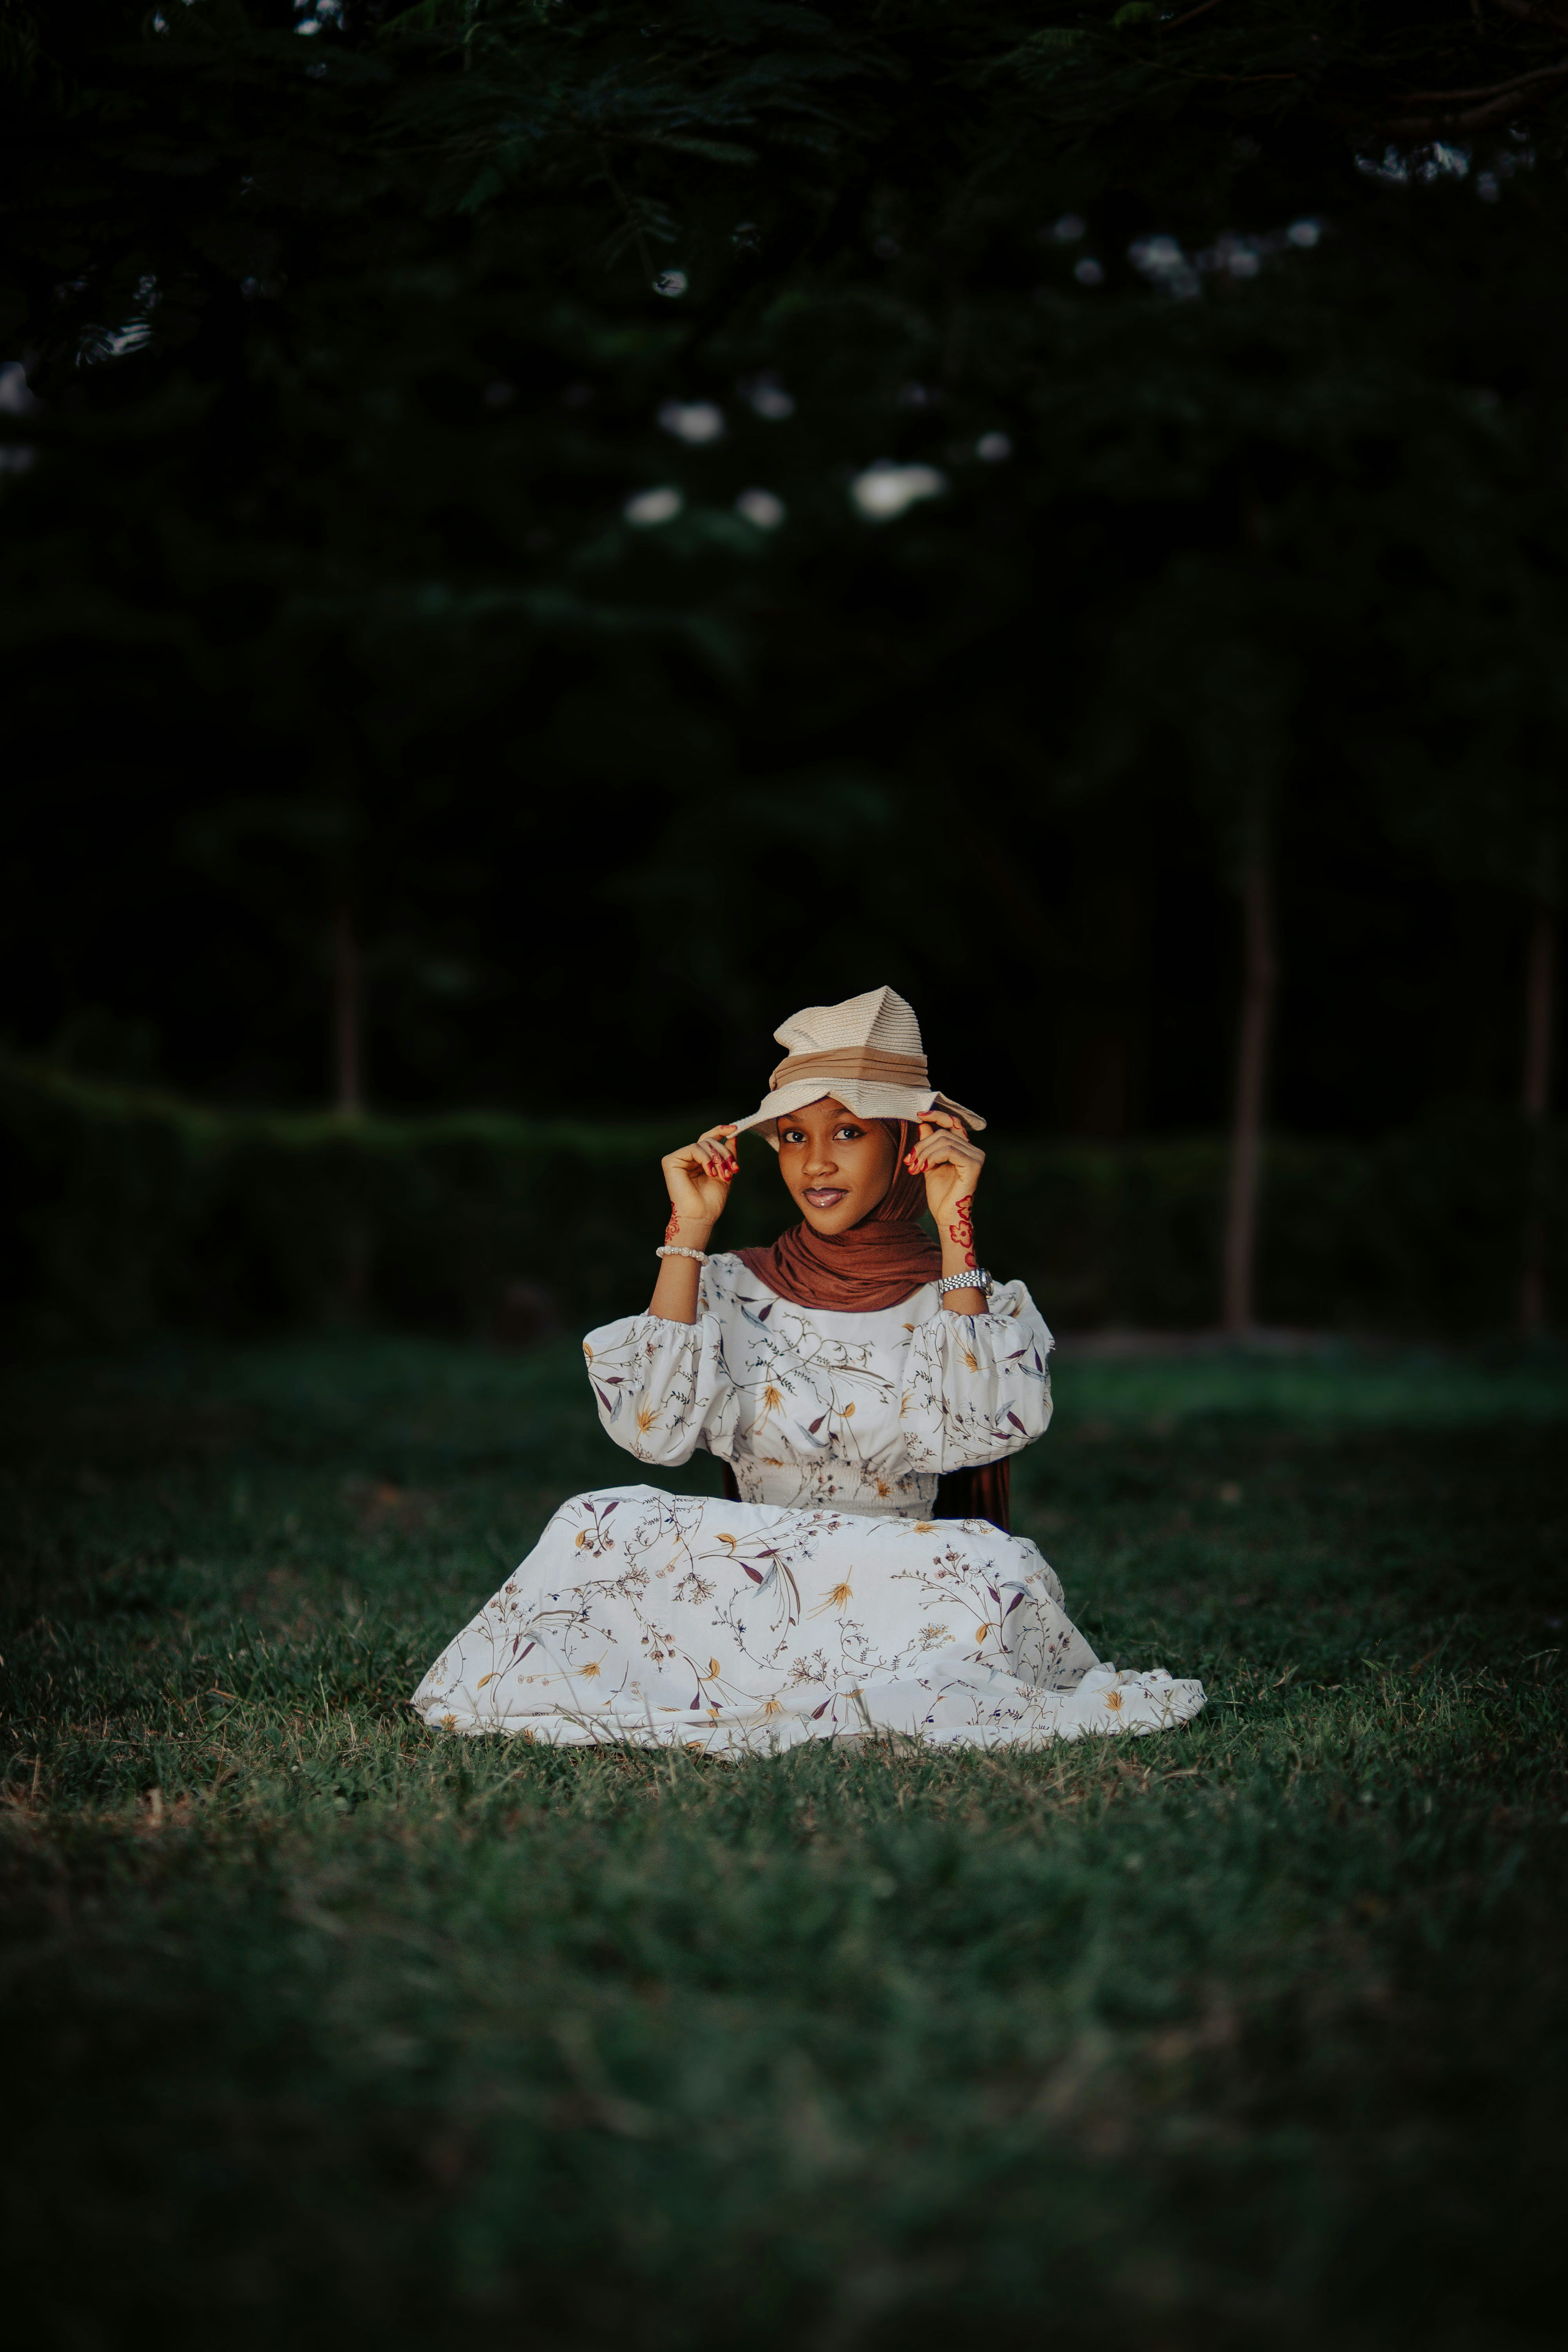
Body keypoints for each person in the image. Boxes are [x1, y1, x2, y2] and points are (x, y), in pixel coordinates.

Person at [411, 987, 1204, 1751]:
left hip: (900, 1584)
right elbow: (648, 1432)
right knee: (594, 1521)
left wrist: (955, 1229)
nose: (814, 1164)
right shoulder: (728, 1285)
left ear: (909, 1146)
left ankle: (823, 1683)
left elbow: (981, 1429)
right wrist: (686, 1231)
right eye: (793, 1136)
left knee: (993, 1565)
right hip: (742, 1577)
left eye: (848, 1132)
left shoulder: (965, 1304)